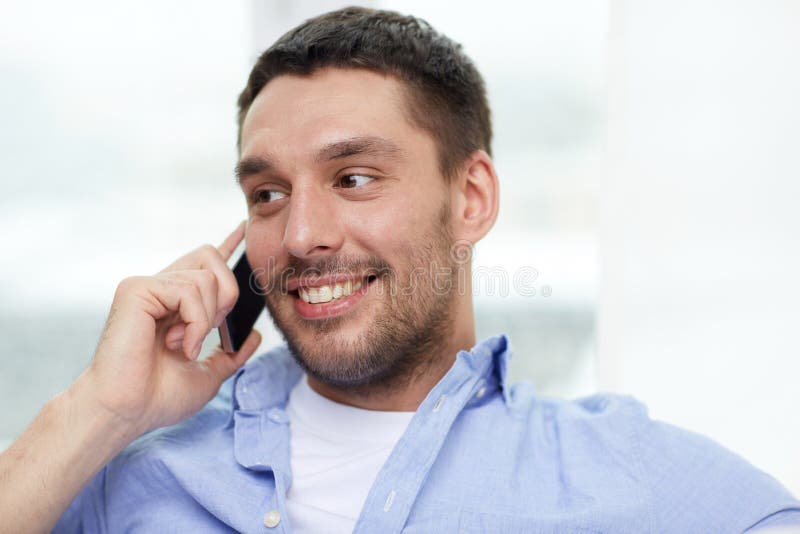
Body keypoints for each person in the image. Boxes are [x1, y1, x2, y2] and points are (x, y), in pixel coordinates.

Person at [1, 6, 798, 533]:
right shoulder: (130, 476)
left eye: (353, 178)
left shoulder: (624, 478)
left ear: (472, 197)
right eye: (268, 192)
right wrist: (97, 411)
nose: (302, 233)